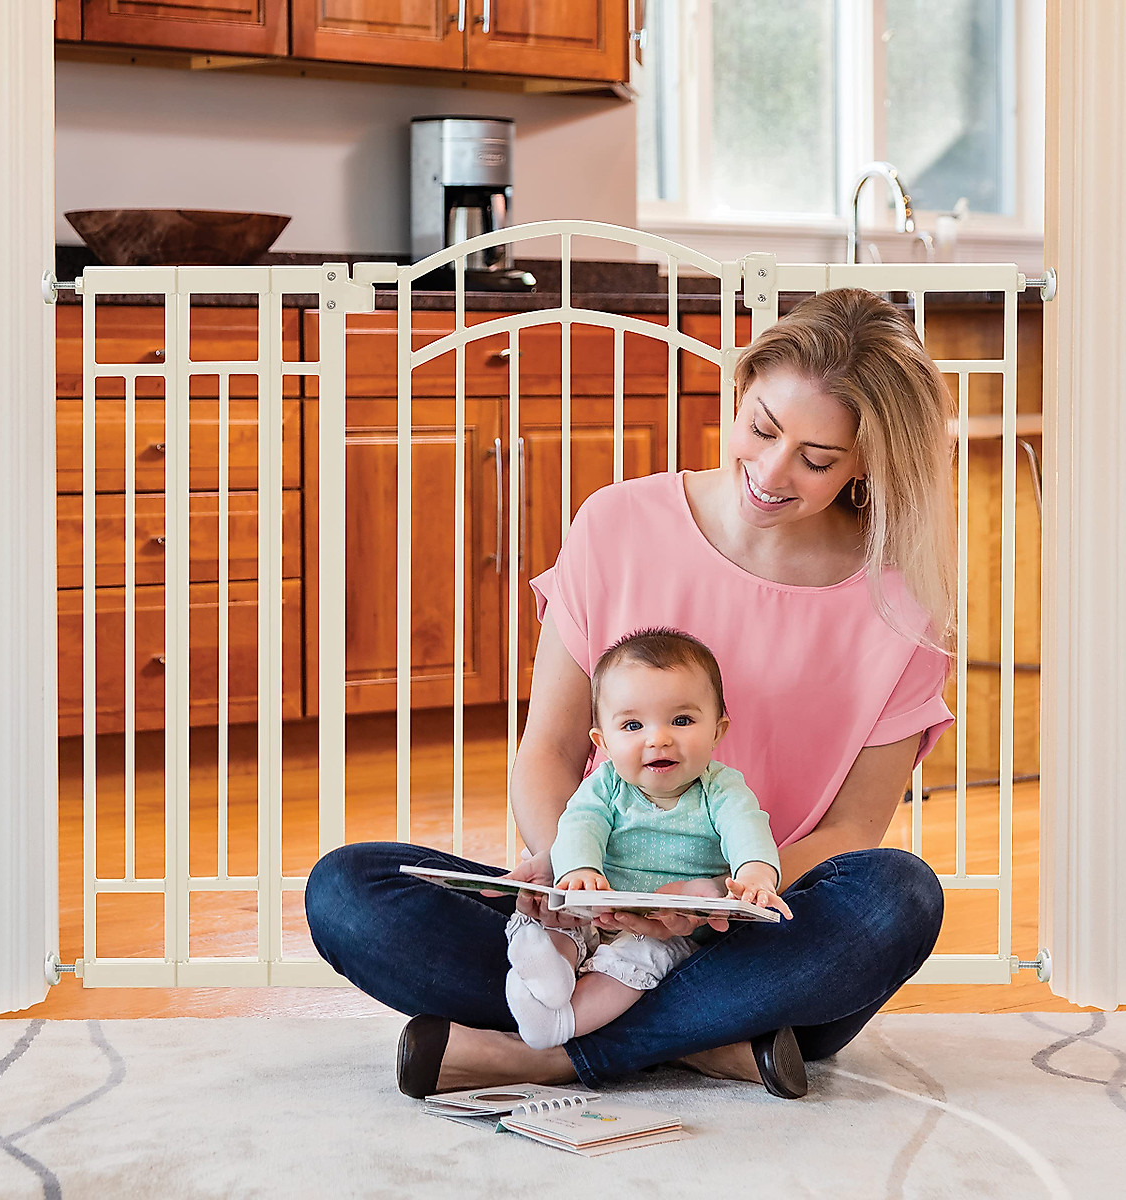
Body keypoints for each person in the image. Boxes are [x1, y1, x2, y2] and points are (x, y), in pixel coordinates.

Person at [304, 287, 955, 1102]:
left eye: (816, 459)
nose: (770, 470)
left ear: (869, 463)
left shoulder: (901, 603)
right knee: (347, 889)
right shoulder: (617, 523)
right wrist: (585, 888)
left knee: (898, 896)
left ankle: (554, 1051)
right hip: (592, 910)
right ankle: (710, 1042)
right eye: (760, 426)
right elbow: (547, 749)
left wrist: (720, 898)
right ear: (741, 389)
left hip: (756, 927)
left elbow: (854, 830)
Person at [504, 627, 791, 1052]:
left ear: (717, 730)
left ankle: (562, 1023)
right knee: (561, 918)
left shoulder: (722, 790)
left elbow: (748, 829)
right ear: (603, 742)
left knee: (634, 966)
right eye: (633, 725)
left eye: (682, 720)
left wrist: (754, 876)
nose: (658, 738)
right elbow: (579, 824)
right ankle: (549, 969)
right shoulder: (605, 786)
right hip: (599, 902)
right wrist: (579, 870)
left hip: (664, 928)